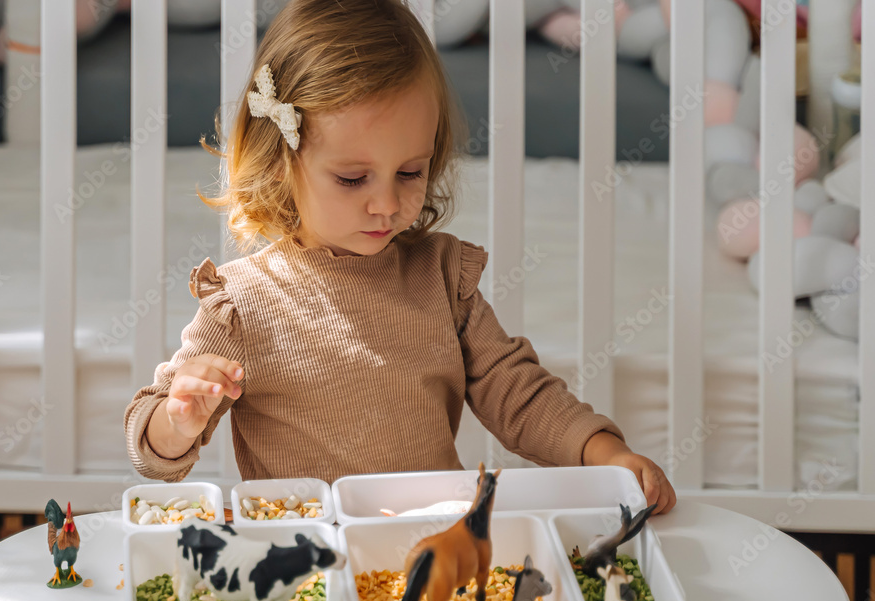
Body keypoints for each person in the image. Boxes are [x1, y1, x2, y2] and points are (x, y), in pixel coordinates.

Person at [123, 0, 676, 515]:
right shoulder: (242, 304)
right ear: (280, 163)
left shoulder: (439, 277)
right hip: (305, 560)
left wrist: (606, 455)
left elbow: (517, 394)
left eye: (410, 172)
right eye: (352, 178)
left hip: (428, 543)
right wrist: (176, 421)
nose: (387, 203)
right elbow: (150, 444)